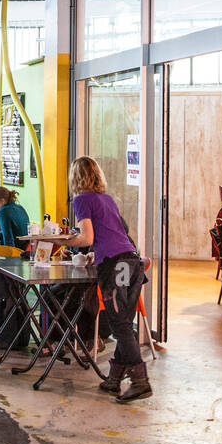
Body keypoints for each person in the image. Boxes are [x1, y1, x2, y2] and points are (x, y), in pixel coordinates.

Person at [63, 157, 149, 403]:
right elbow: (112, 234)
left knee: (120, 324)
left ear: (75, 178)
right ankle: (114, 378)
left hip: (116, 265)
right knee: (124, 322)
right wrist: (95, 251)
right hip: (133, 263)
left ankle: (140, 381)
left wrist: (60, 241)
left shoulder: (81, 200)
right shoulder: (107, 199)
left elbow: (86, 237)